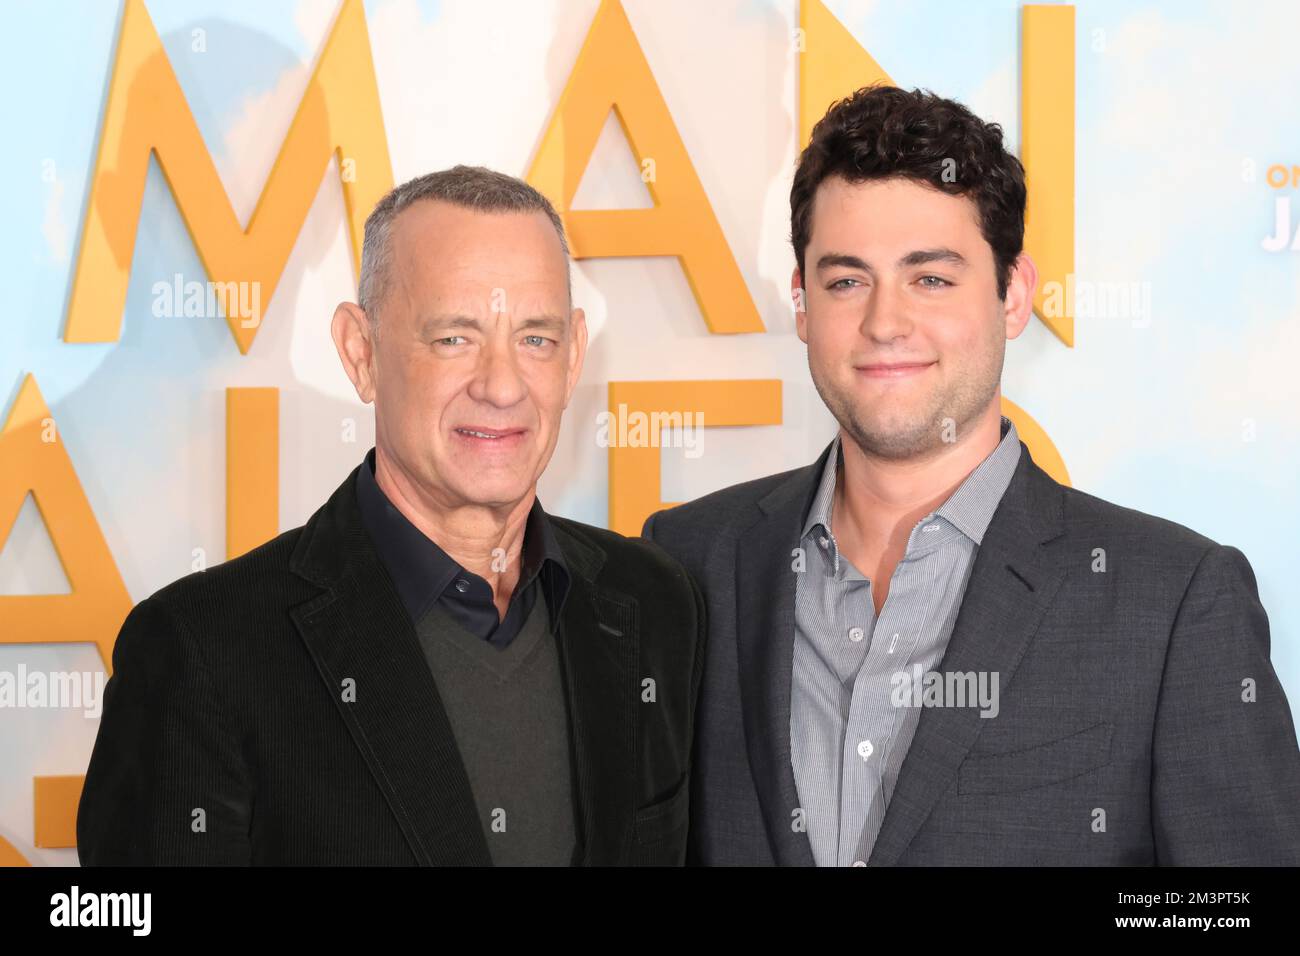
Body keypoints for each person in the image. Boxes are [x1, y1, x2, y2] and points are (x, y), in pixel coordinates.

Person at [643, 86, 1300, 866]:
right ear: (802, 304)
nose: (886, 323)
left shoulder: (1171, 601)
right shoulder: (688, 564)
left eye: (931, 279)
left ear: (1014, 295)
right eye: (847, 280)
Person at [78, 165, 704, 866]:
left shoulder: (652, 604)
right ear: (361, 352)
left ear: (573, 357)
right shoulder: (204, 653)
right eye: (453, 338)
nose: (501, 386)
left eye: (535, 338)